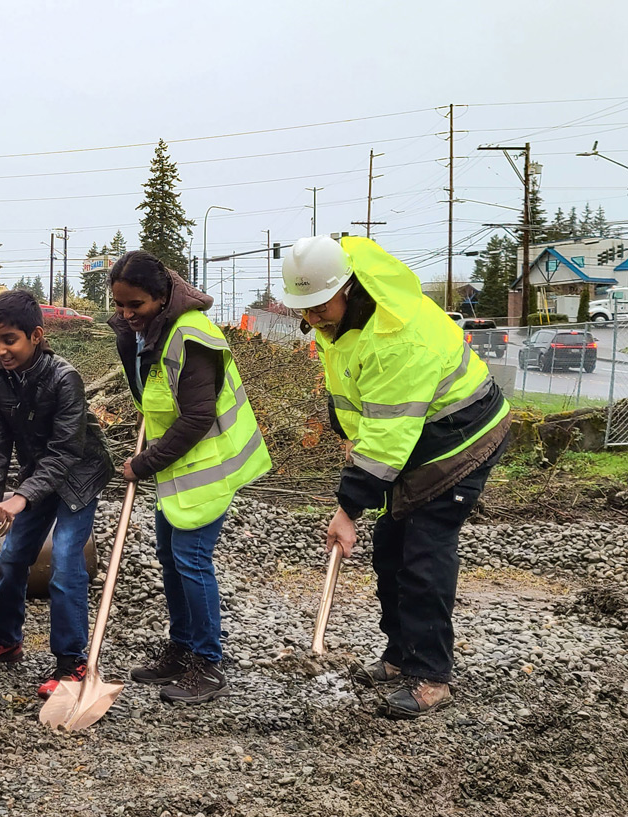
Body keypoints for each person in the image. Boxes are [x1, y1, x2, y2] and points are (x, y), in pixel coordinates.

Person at [281, 235, 510, 718]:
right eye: (305, 309)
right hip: (416, 432)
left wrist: (347, 509)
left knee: (424, 553)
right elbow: (351, 389)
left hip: (461, 435)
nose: (313, 318)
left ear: (347, 289)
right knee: (390, 548)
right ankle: (400, 655)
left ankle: (431, 676)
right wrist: (348, 434)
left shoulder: (397, 340)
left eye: (320, 307)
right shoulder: (342, 318)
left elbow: (388, 438)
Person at [107, 251, 271, 704]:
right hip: (178, 465)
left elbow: (198, 416)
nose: (127, 314)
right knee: (169, 555)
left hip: (208, 463)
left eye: (135, 305)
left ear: (162, 297)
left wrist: (144, 463)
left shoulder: (192, 335)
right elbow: (157, 397)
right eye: (119, 305)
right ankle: (181, 648)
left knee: (191, 558)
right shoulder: (149, 333)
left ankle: (208, 662)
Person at [0, 289, 114, 698]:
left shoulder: (64, 378)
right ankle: (5, 639)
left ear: (36, 336)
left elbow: (66, 450)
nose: (0, 350)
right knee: (12, 555)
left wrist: (20, 498)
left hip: (78, 476)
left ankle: (72, 662)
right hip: (40, 474)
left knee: (67, 561)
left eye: (9, 340)